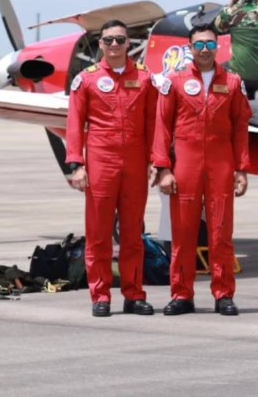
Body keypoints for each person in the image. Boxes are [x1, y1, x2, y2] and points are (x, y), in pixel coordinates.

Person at [153, 24, 251, 316]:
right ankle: (182, 294)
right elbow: (162, 127)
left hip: (220, 163)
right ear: (190, 47)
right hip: (185, 163)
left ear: (217, 47)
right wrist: (163, 168)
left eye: (210, 44)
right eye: (199, 45)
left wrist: (241, 169)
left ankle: (224, 294)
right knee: (183, 233)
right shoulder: (175, 81)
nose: (205, 50)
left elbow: (240, 128)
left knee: (221, 232)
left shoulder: (233, 82)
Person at [65, 19, 157, 317]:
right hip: (101, 162)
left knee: (133, 234)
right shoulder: (87, 79)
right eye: (108, 40)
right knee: (99, 233)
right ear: (100, 44)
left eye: (120, 39)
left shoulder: (145, 79)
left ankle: (134, 295)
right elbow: (75, 125)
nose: (114, 45)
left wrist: (158, 162)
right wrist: (77, 164)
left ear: (129, 43)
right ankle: (100, 296)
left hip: (135, 164)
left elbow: (154, 125)